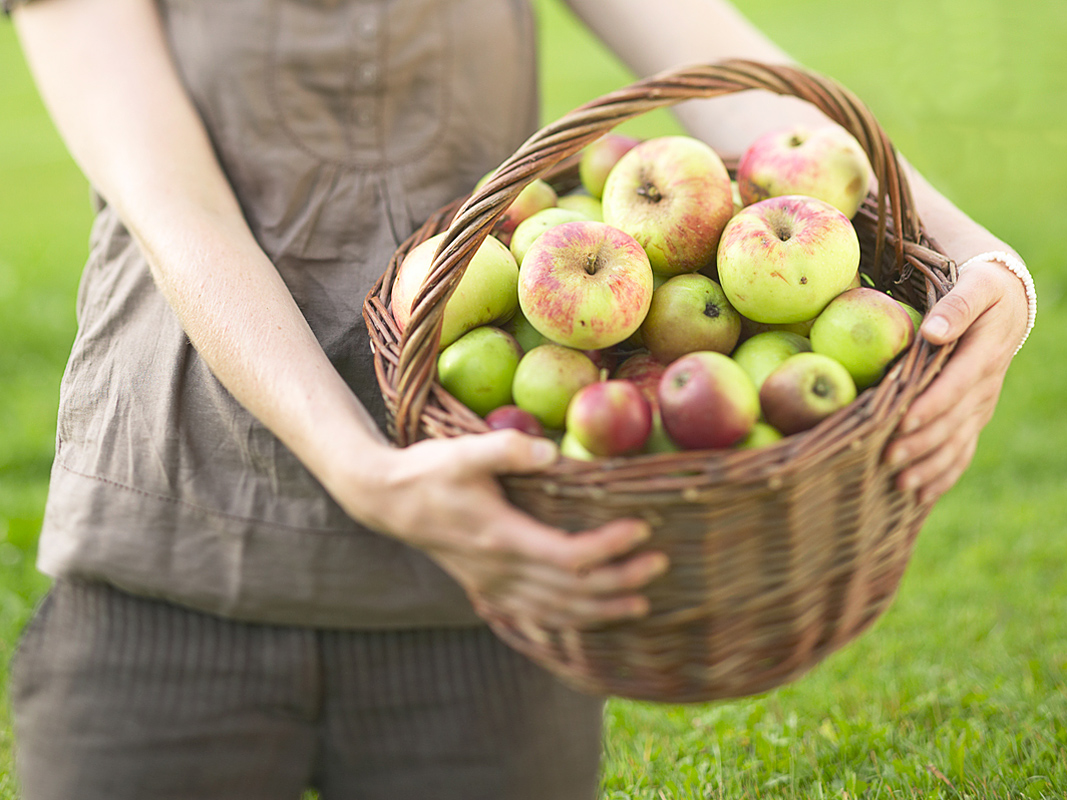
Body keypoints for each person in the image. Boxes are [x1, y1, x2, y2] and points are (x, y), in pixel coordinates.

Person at [5, 0, 1033, 798]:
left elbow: (715, 59)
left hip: (496, 560)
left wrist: (984, 264)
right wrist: (357, 464)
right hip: (176, 528)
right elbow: (171, 203)